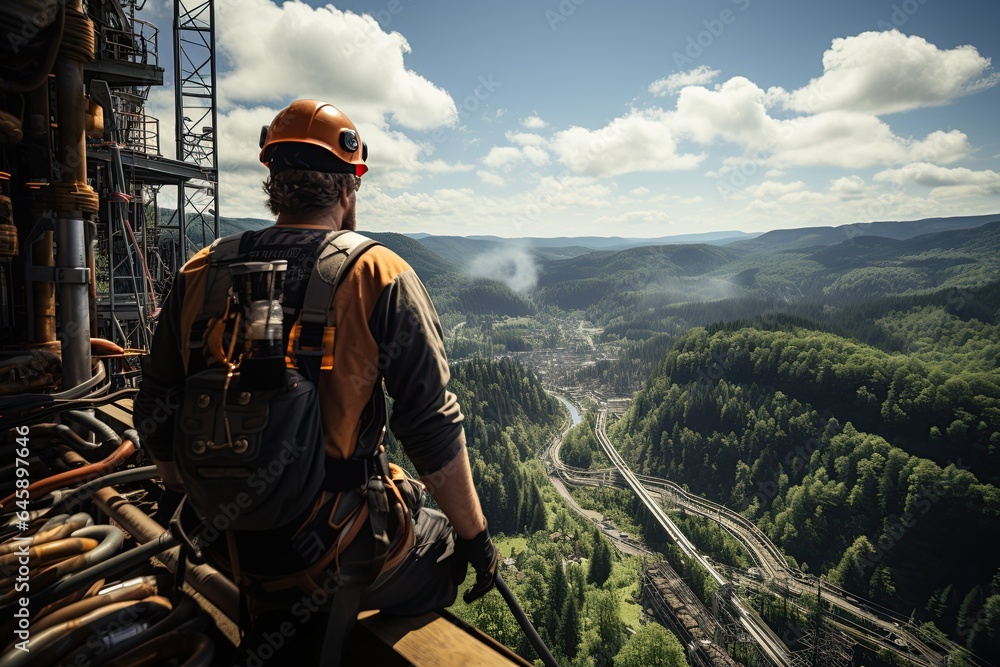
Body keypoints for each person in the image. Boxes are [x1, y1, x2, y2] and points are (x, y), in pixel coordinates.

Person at [134, 99, 498, 664]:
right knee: (444, 546)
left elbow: (155, 408)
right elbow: (429, 427)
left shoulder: (199, 271)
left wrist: (217, 499)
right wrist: (475, 540)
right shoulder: (380, 274)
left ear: (273, 184)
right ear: (349, 186)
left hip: (225, 546)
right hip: (334, 551)